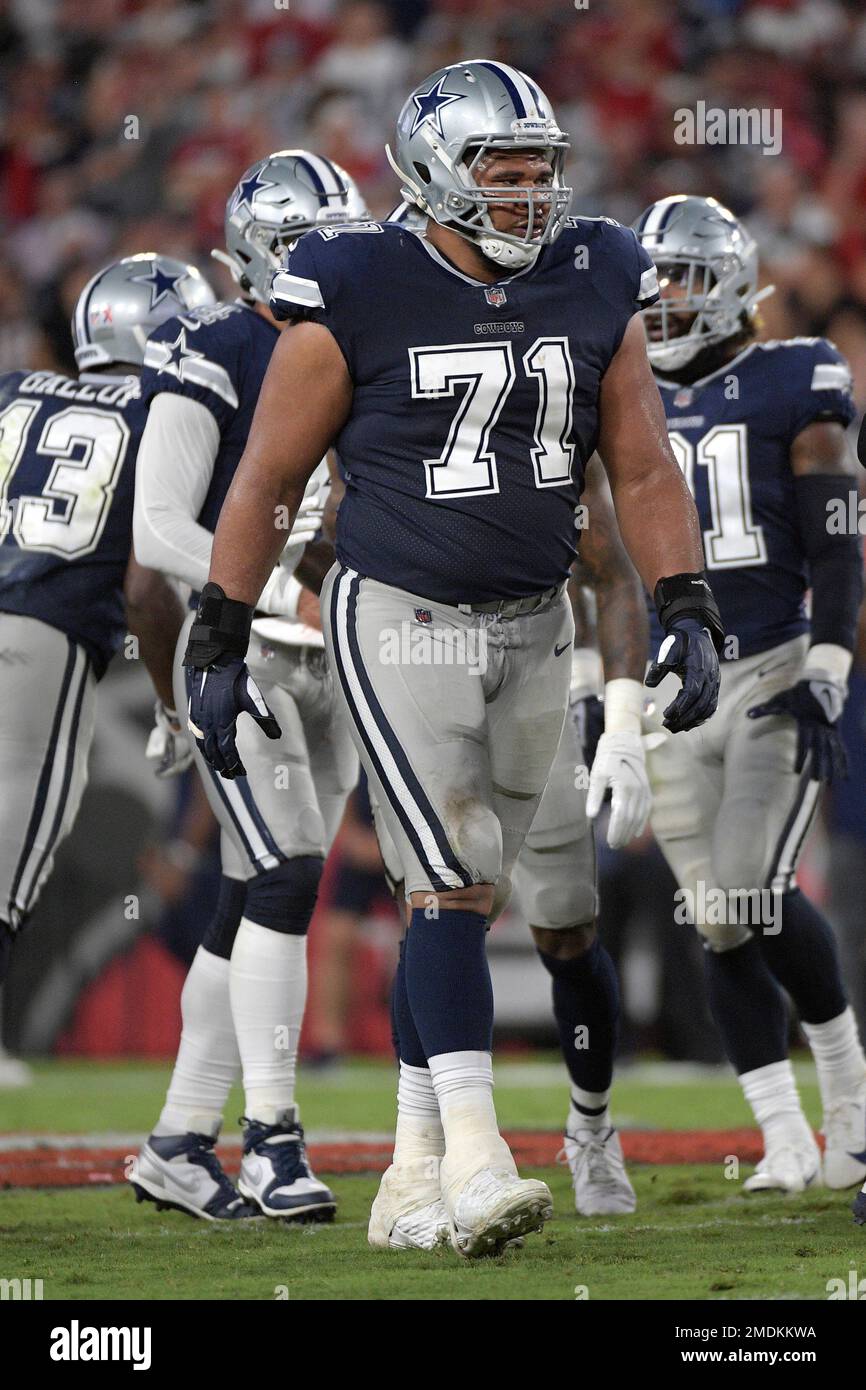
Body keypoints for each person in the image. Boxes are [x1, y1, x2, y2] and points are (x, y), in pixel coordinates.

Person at [184, 61, 722, 1258]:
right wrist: (217, 626)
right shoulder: (359, 279)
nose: (532, 195)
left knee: (469, 890)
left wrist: (684, 601)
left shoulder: (594, 269)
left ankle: (409, 1170)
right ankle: (480, 1157)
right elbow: (268, 478)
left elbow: (637, 466)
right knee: (444, 873)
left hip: (538, 619)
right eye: (503, 171)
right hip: (398, 610)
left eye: (542, 171)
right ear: (432, 171)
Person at [129, 151, 367, 1224]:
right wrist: (278, 580)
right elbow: (159, 527)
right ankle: (272, 1139)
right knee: (283, 872)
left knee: (253, 897)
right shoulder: (217, 351)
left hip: (337, 655)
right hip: (245, 646)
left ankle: (180, 1139)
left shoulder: (373, 342)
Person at [634, 193, 866, 1197]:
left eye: (680, 277)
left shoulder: (792, 375)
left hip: (770, 660)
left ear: (728, 282)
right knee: (712, 915)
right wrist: (603, 699)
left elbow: (835, 538)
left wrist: (828, 661)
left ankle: (849, 1098)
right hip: (669, 680)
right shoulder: (624, 390)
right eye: (653, 281)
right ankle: (780, 1136)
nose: (663, 299)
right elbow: (602, 563)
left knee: (749, 887)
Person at [0, 253, 213, 985]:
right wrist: (172, 703)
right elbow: (146, 589)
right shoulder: (163, 416)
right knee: (13, 857)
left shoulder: (12, 389)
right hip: (40, 631)